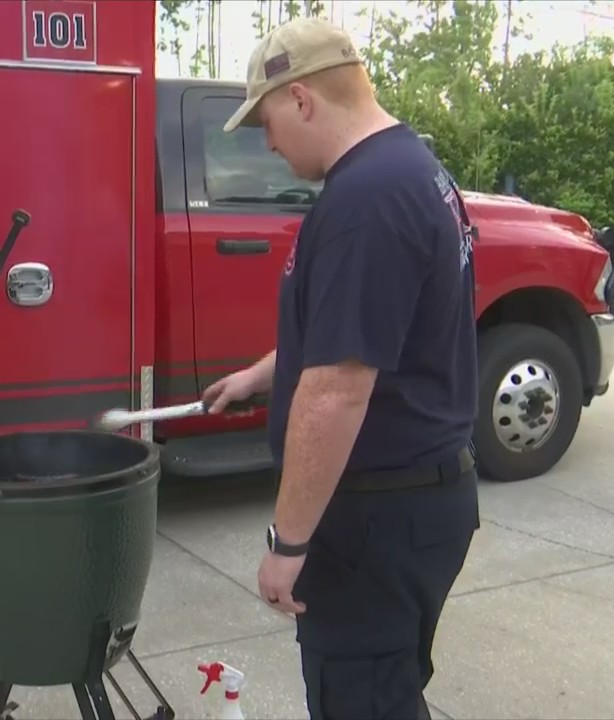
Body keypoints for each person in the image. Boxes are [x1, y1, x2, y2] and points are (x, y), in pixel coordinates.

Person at [200, 16, 482, 720]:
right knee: (382, 694)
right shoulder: (407, 167)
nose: (267, 143)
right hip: (411, 508)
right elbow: (364, 334)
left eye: (266, 122)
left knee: (361, 703)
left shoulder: (367, 200)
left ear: (301, 100)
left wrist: (287, 543)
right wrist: (264, 374)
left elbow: (336, 391)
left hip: (374, 524)